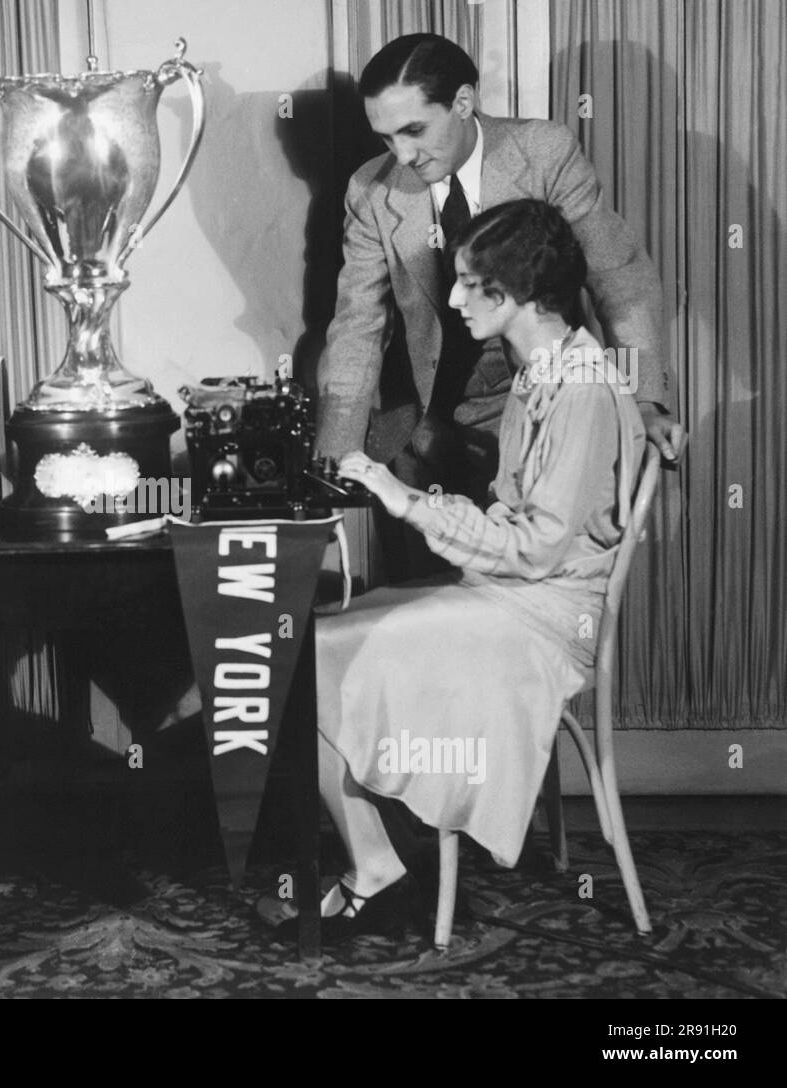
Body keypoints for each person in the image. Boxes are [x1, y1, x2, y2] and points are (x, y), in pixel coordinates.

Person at [260, 199, 645, 934]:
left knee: (303, 663)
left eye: (474, 285)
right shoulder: (539, 373)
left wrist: (409, 501)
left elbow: (537, 547)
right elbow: (516, 522)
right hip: (506, 595)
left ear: (522, 297)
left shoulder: (584, 388)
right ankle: (383, 851)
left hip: (541, 619)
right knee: (307, 642)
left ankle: (376, 861)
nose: (456, 299)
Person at [316, 33, 682, 580]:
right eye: (386, 137)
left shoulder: (543, 154)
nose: (403, 156)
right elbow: (357, 326)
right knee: (424, 613)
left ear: (463, 103)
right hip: (422, 425)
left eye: (415, 130)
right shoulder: (370, 190)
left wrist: (645, 398)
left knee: (520, 581)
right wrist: (336, 459)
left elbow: (619, 277)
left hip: (531, 412)